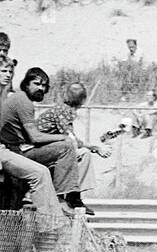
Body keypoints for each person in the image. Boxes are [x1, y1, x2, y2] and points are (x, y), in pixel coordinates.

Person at [0, 67, 94, 215]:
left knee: (76, 152)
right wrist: (62, 137)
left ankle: (71, 198)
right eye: (36, 84)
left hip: (18, 149)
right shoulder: (24, 101)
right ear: (26, 84)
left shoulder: (22, 99)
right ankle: (62, 200)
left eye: (44, 86)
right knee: (66, 147)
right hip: (16, 152)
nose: (41, 88)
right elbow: (35, 138)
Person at [0, 60, 66, 224]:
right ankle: (53, 224)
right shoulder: (18, 99)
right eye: (3, 71)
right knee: (40, 173)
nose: (8, 75)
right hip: (4, 150)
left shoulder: (9, 96)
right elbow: (34, 137)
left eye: (10, 72)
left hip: (7, 149)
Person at [35, 81, 107, 215]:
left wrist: (93, 147)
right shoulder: (64, 110)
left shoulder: (63, 109)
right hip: (40, 150)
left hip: (49, 148)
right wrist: (93, 148)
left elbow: (71, 138)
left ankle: (74, 197)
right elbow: (71, 140)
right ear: (82, 99)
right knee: (83, 154)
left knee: (83, 153)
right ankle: (72, 198)